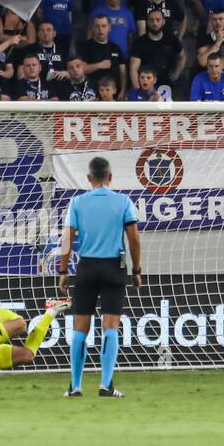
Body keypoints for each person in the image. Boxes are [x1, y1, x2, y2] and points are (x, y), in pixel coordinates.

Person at [57, 155, 142, 398]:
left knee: (80, 327)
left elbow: (67, 239)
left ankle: (75, 386)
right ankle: (106, 384)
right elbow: (134, 238)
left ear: (88, 178)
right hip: (113, 268)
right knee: (110, 326)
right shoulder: (123, 201)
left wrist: (63, 271)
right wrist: (137, 270)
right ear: (110, 177)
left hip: (86, 268)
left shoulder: (77, 203)